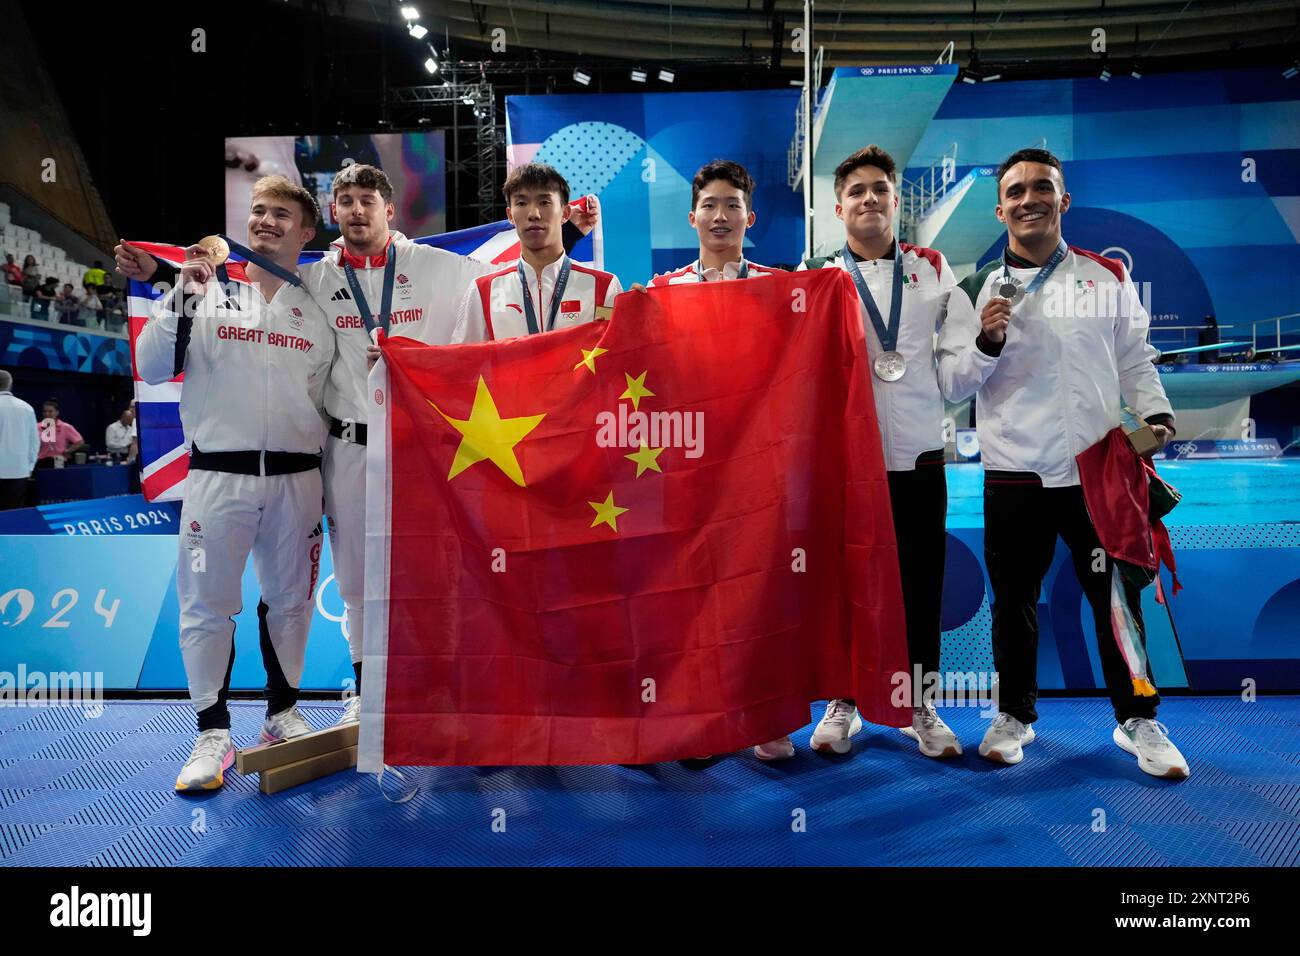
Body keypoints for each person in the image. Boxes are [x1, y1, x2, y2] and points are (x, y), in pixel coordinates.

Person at [115, 163, 598, 728]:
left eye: (368, 199)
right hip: (345, 450)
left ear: (389, 210)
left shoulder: (442, 269)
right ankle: (369, 698)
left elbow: (514, 269)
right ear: (332, 217)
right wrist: (160, 271)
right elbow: (246, 273)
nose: (357, 209)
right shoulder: (312, 283)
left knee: (441, 570)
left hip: (427, 450)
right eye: (345, 200)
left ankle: (441, 689)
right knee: (356, 579)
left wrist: (574, 234)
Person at [937, 147, 1189, 780]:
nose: (1029, 198)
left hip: (1095, 472)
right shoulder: (974, 288)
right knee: (1014, 601)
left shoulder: (1105, 278)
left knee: (1117, 599)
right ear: (1000, 209)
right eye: (1016, 191)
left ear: (1063, 200)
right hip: (1014, 472)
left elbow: (1135, 357)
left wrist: (1157, 418)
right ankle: (1013, 715)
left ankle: (1138, 718)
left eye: (1041, 187)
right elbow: (953, 384)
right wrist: (987, 341)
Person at [135, 175, 336, 791]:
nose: (266, 221)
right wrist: (181, 292)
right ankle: (211, 733)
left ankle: (281, 714)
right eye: (257, 212)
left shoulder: (319, 306)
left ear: (305, 232)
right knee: (207, 605)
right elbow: (149, 364)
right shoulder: (208, 291)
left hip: (299, 480)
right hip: (218, 478)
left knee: (293, 602)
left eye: (281, 214)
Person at [799, 145, 961, 760]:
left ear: (897, 200)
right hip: (846, 465)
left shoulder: (933, 269)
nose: (870, 198)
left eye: (880, 189)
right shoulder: (815, 274)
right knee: (844, 585)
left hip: (919, 457)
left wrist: (992, 342)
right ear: (838, 207)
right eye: (857, 191)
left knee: (920, 586)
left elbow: (957, 365)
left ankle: (920, 703)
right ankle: (844, 700)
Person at [451, 163, 622, 342]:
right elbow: (463, 362)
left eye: (544, 202)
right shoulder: (482, 291)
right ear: (510, 215)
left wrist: (643, 311)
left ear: (565, 213)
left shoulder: (605, 287)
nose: (533, 213)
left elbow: (624, 355)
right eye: (522, 203)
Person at [646, 159, 783, 287]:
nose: (720, 217)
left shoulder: (779, 286)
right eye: (709, 205)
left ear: (750, 219)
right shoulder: (666, 287)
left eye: (733, 206)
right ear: (692, 219)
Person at [0, 370, 39, 510]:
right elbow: (34, 443)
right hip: (18, 470)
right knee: (13, 513)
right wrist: (29, 467)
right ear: (10, 385)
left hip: (17, 470)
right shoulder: (27, 408)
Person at [35, 398, 85, 468]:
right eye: (44, 411)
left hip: (59, 461)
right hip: (41, 462)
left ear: (57, 413)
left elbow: (80, 442)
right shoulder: (36, 427)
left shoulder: (65, 427)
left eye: (50, 411)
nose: (47, 414)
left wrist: (68, 451)